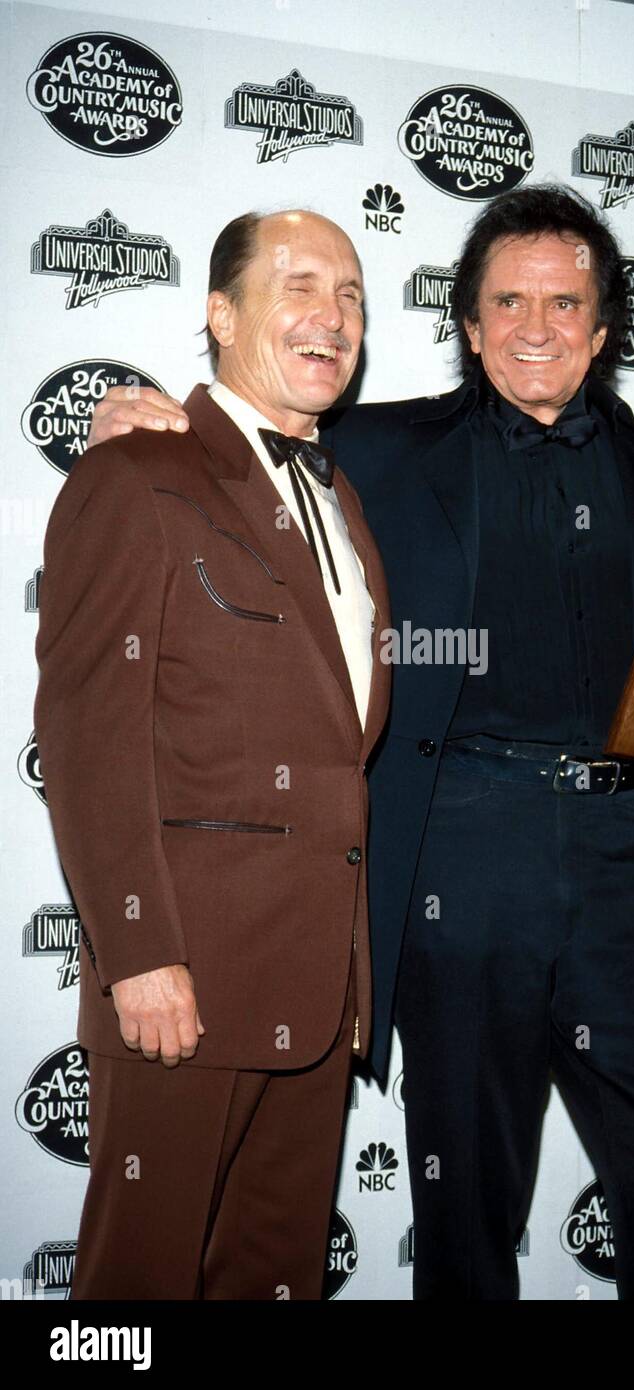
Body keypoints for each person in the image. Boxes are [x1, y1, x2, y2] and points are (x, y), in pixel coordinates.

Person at [87, 184, 634, 1301]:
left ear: (602, 332)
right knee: (464, 1209)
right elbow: (244, 429)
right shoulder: (374, 450)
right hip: (461, 864)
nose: (534, 326)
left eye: (564, 303)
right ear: (468, 322)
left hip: (631, 872)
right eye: (507, 300)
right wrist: (136, 409)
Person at [34, 209, 390, 1300]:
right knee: (132, 1284)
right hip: (183, 977)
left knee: (273, 1276)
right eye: (298, 286)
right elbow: (88, 737)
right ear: (219, 313)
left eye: (351, 294)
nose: (329, 317)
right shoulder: (135, 477)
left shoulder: (342, 495)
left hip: (319, 984)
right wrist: (137, 951)